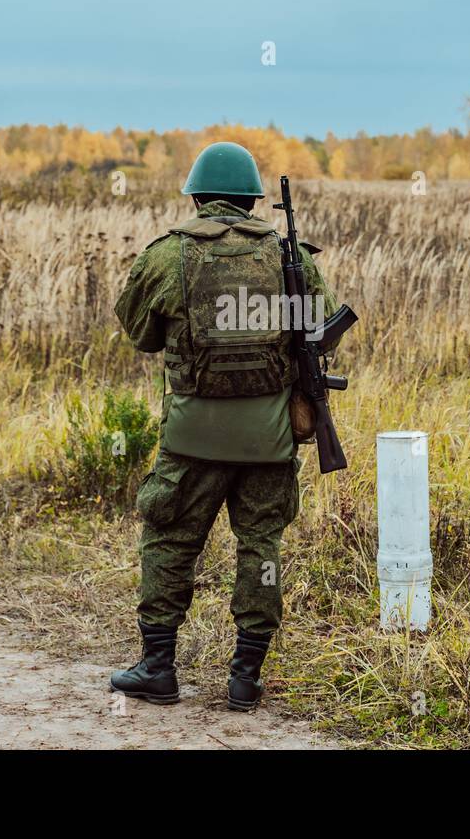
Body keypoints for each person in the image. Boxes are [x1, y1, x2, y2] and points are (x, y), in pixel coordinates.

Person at [109, 141, 336, 711]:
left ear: (199, 195)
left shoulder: (167, 255)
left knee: (169, 540)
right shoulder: (293, 258)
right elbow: (321, 331)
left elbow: (141, 334)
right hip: (270, 436)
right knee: (261, 548)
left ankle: (158, 668)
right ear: (251, 199)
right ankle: (245, 679)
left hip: (192, 437)